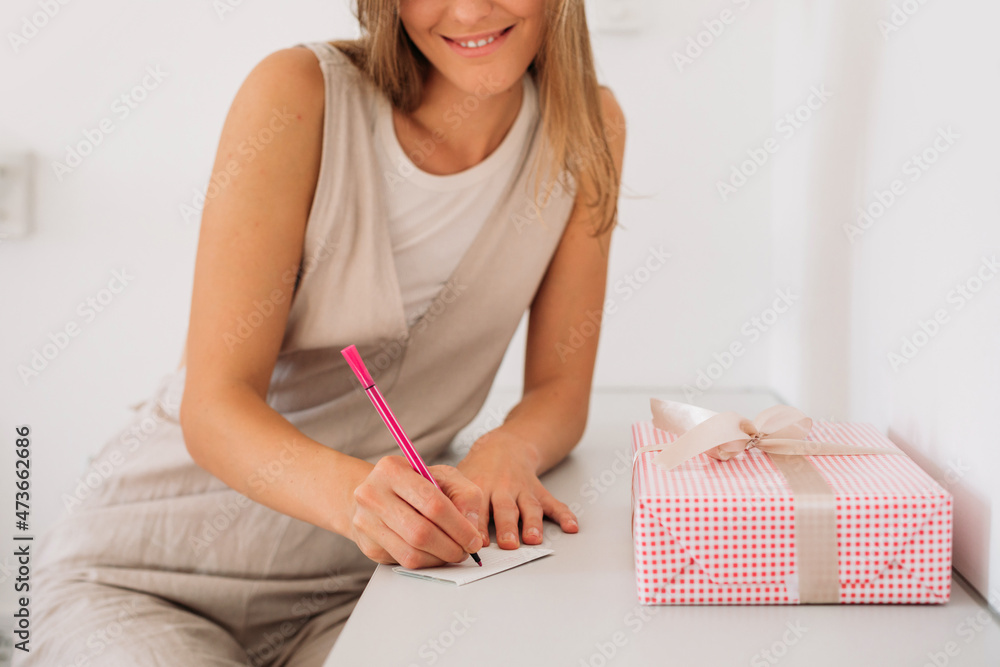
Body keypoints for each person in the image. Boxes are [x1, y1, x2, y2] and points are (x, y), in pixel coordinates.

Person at [23, 1, 625, 664]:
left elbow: (559, 389)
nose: (472, 9)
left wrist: (506, 449)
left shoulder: (588, 128)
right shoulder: (298, 93)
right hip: (144, 577)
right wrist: (356, 500)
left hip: (363, 588)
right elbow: (213, 403)